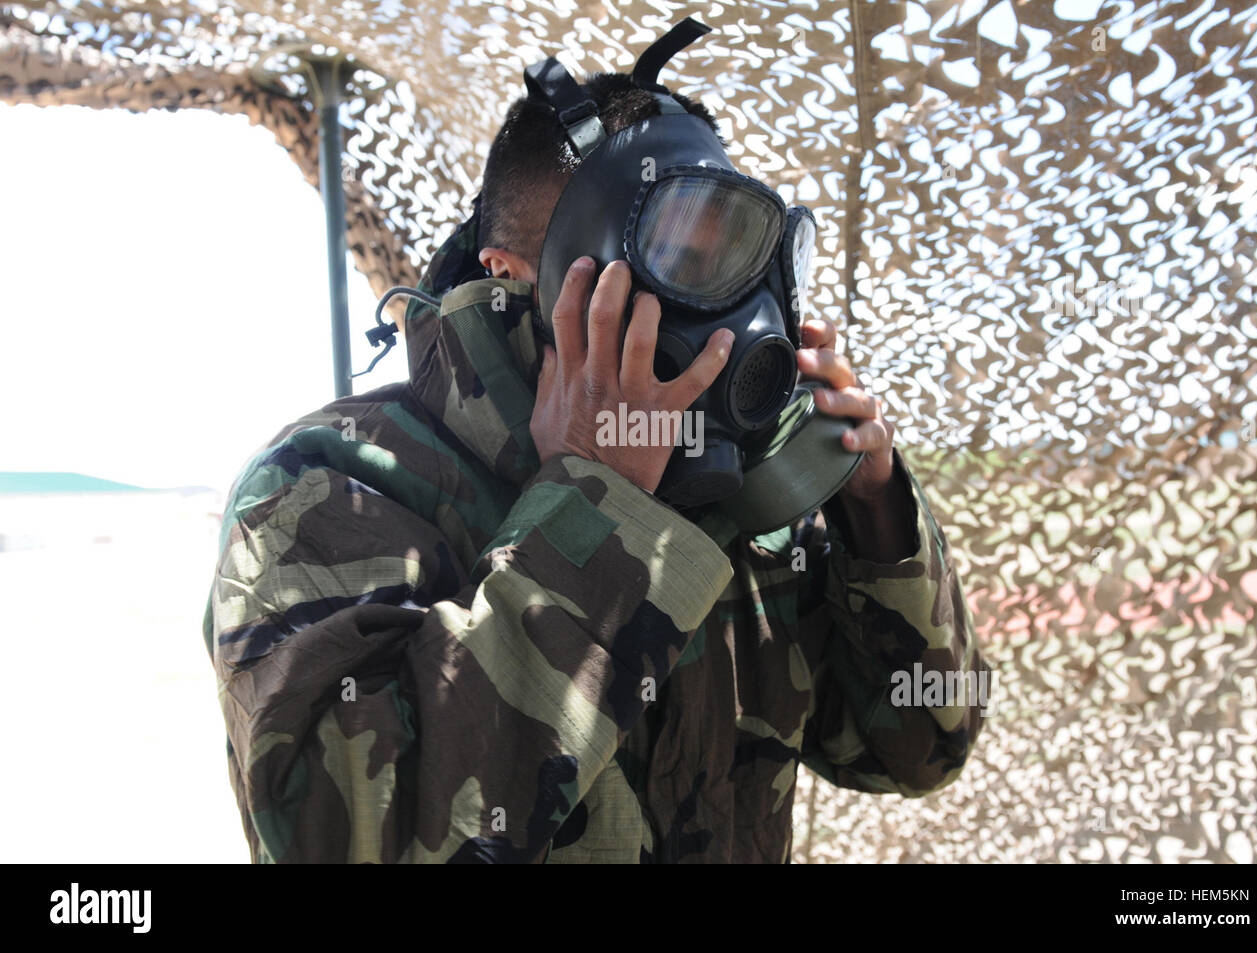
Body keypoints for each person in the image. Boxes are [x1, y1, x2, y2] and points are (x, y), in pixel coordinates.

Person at [203, 62, 989, 864]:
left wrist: (877, 513)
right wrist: (595, 502)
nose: (727, 320)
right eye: (676, 261)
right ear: (511, 275)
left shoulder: (738, 505)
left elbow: (924, 742)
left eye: (739, 265)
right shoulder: (330, 485)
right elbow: (344, 839)